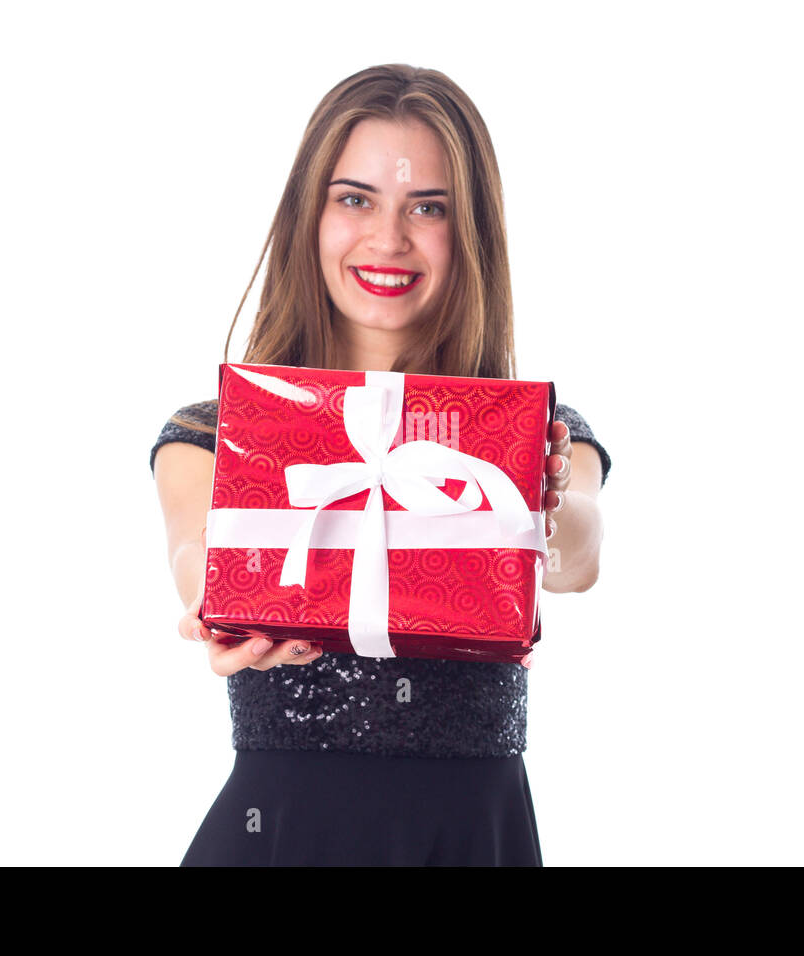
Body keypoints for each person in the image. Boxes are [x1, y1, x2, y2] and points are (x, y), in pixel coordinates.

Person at [150, 64, 612, 866]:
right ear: (310, 216)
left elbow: (578, 558)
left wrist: (542, 496)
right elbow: (200, 557)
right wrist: (212, 610)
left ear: (469, 230)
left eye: (426, 207)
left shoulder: (536, 429)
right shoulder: (213, 433)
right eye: (354, 198)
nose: (388, 238)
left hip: (474, 841)